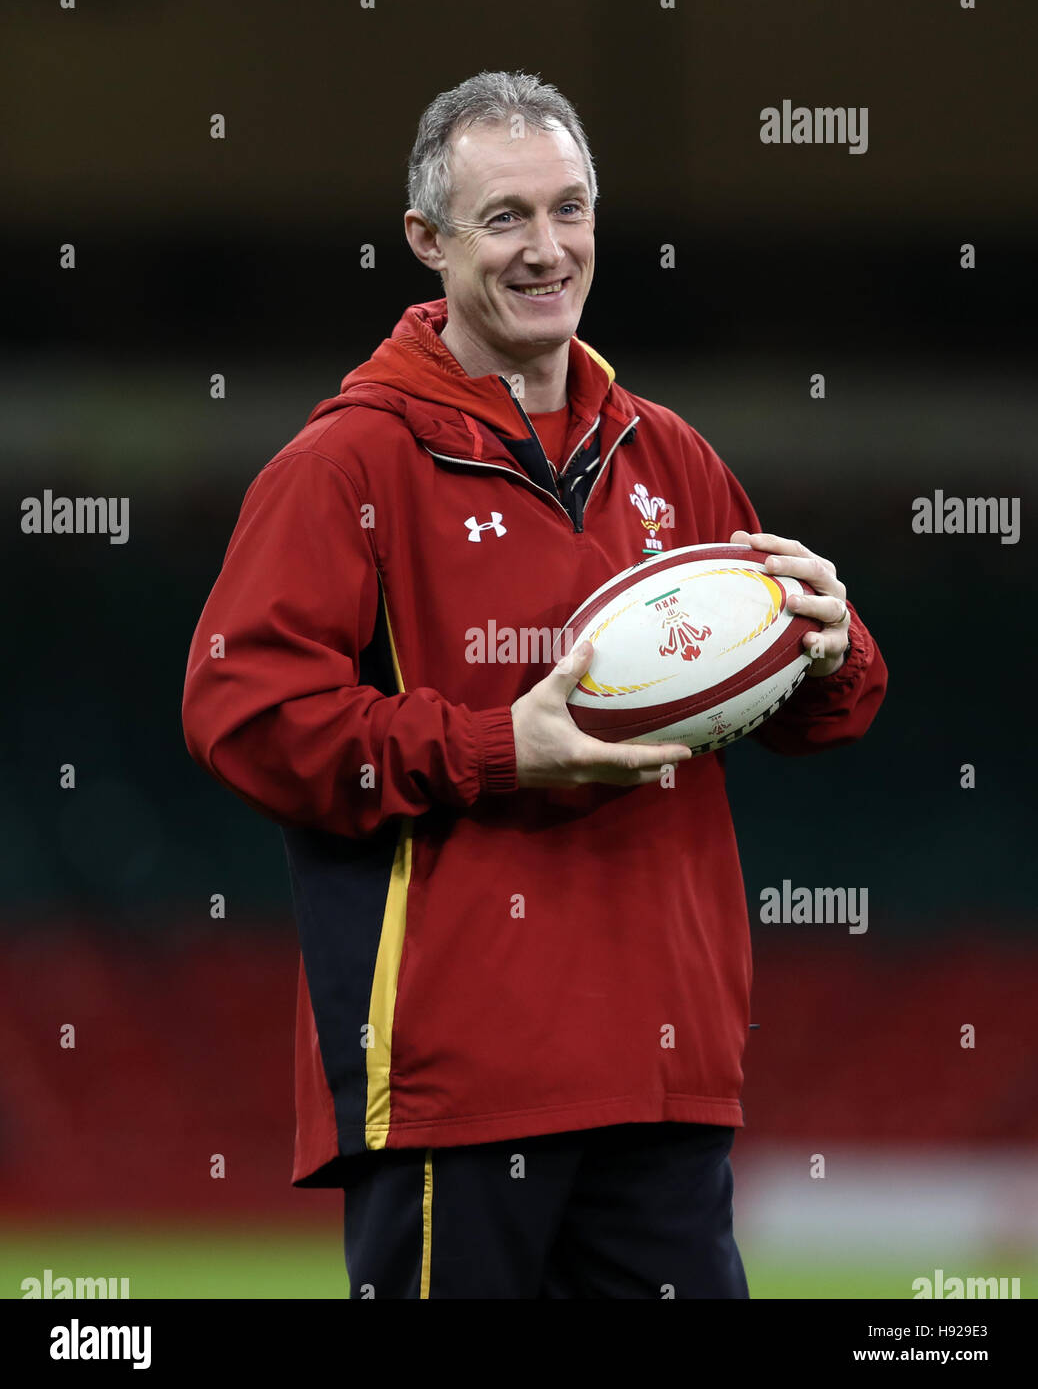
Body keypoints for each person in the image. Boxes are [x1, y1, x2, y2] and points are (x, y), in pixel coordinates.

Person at [181, 70, 887, 1299]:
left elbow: (821, 713)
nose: (545, 248)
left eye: (570, 210)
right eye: (505, 216)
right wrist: (500, 746)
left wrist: (835, 645)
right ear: (427, 241)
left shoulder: (668, 454)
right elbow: (244, 714)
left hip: (668, 1076)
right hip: (460, 1085)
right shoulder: (346, 461)